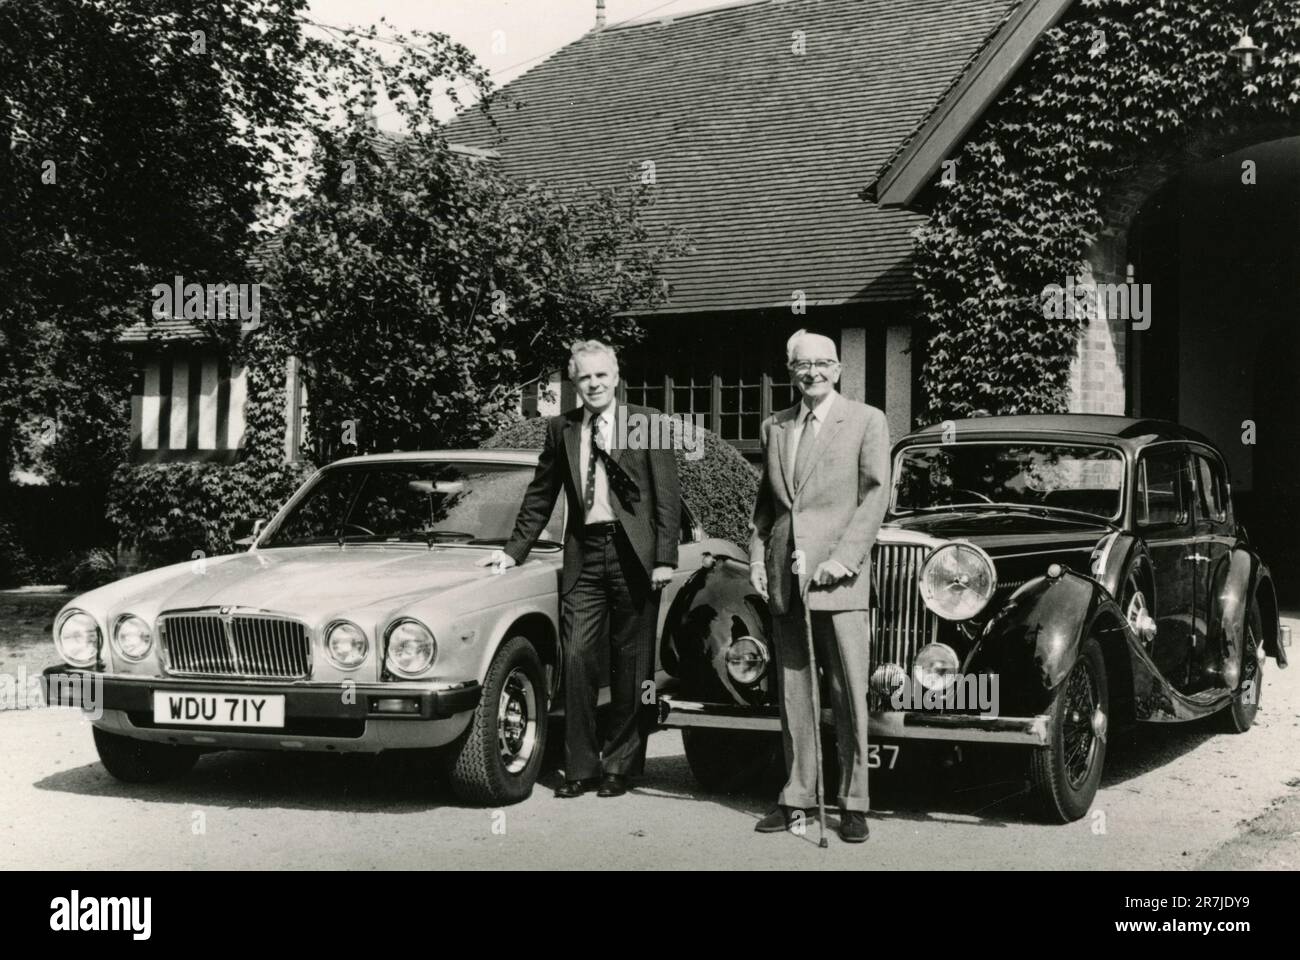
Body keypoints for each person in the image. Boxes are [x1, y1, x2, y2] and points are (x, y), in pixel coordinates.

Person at [479, 340, 680, 798]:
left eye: (601, 376)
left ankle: (619, 767)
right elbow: (540, 496)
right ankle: (582, 767)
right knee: (576, 661)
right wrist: (513, 552)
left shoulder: (647, 424)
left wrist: (665, 557)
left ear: (616, 377)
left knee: (632, 667)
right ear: (575, 384)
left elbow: (667, 496)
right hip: (584, 555)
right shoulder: (562, 430)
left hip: (636, 558)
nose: (593, 384)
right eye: (584, 378)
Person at [748, 329, 891, 842]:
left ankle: (854, 802)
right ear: (791, 371)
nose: (813, 373)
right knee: (794, 693)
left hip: (840, 580)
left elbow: (875, 496)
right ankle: (797, 797)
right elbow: (767, 504)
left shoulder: (868, 421)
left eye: (823, 364)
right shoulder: (775, 426)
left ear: (838, 369)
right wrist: (759, 557)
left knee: (848, 691)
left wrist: (844, 559)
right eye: (802, 365)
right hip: (789, 576)